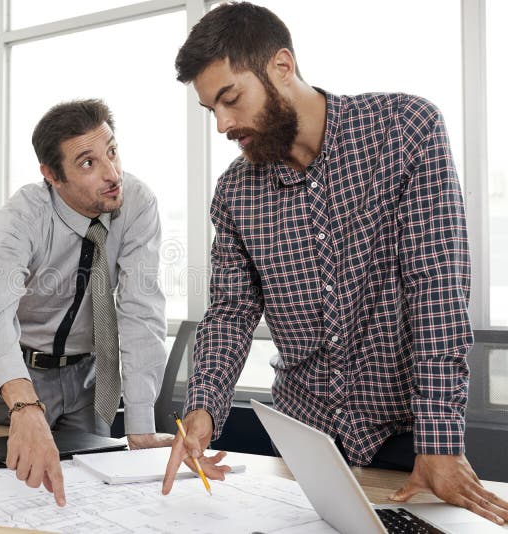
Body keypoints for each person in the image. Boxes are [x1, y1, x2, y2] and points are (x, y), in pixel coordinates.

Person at [161, 1, 508, 525]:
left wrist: (438, 439)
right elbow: (231, 313)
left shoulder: (405, 131)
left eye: (230, 99)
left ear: (281, 66)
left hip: (411, 445)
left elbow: (436, 291)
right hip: (309, 450)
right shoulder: (235, 192)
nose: (223, 125)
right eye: (212, 110)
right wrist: (203, 408)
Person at [0, 99, 171, 507]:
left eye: (111, 151)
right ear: (51, 175)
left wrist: (142, 424)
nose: (112, 174)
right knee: (9, 490)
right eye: (87, 163)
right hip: (18, 368)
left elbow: (140, 310)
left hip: (88, 375)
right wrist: (24, 406)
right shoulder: (24, 215)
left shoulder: (138, 204)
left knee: (92, 491)